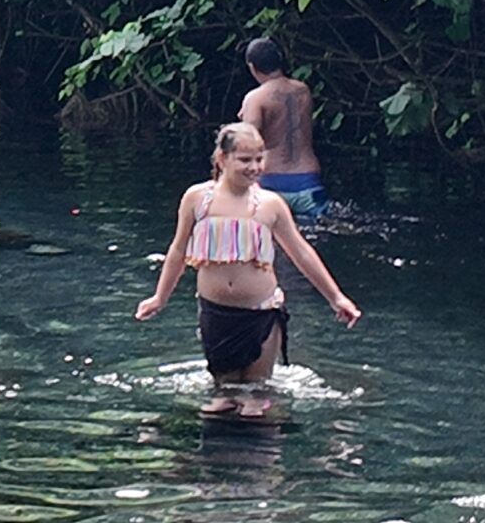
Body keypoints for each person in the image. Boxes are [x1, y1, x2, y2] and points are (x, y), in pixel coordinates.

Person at [134, 121, 362, 417]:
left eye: (259, 159)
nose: (254, 166)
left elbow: (302, 253)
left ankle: (264, 459)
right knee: (221, 400)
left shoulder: (270, 204)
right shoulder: (197, 200)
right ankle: (217, 460)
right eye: (245, 159)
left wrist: (336, 297)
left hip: (261, 312)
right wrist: (159, 298)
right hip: (216, 312)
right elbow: (178, 250)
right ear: (222, 159)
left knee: (255, 400)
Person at [239, 35, 327, 219]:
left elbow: (247, 144)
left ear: (252, 67)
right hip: (308, 180)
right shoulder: (303, 90)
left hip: (272, 182)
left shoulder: (255, 98)